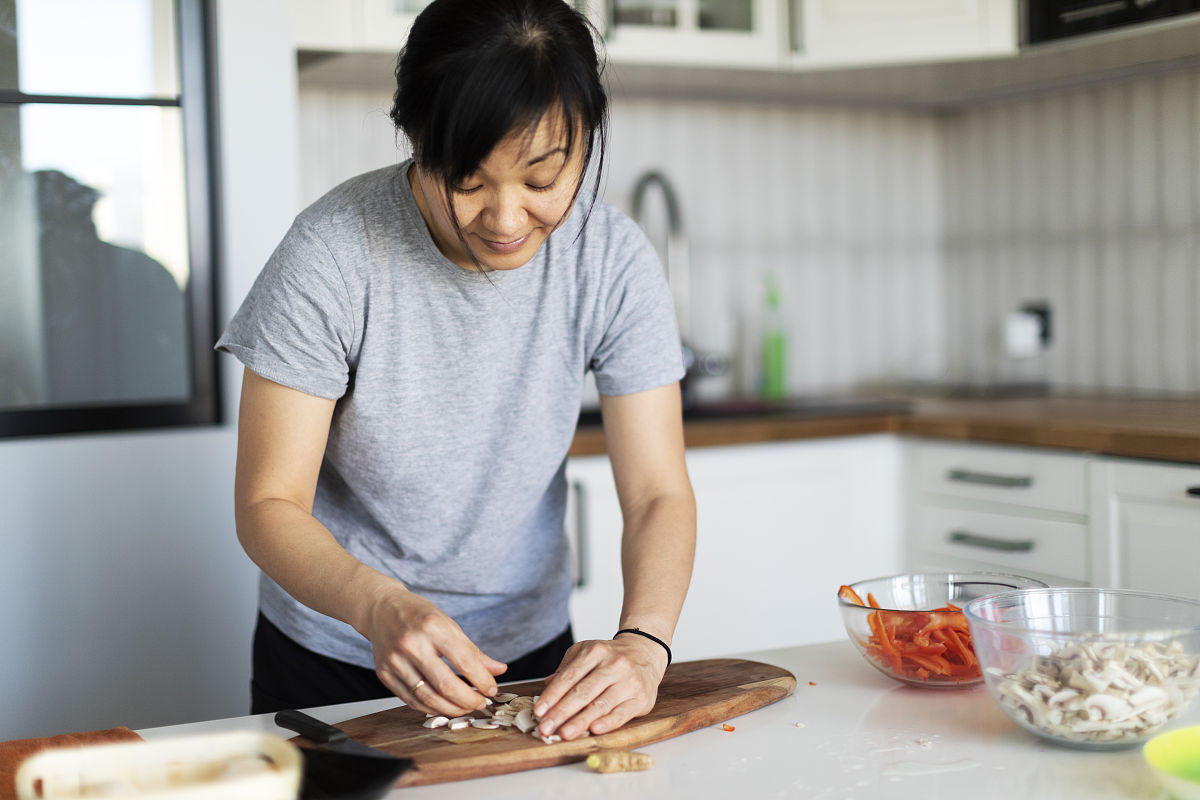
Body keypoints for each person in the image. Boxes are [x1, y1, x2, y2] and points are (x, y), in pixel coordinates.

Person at [216, 0, 695, 743]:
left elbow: (659, 490)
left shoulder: (612, 257)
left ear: (585, 145)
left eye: (542, 179)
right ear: (417, 139)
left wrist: (644, 642)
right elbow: (268, 502)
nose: (506, 220)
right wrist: (377, 606)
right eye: (467, 181)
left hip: (533, 655)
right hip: (338, 650)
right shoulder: (332, 253)